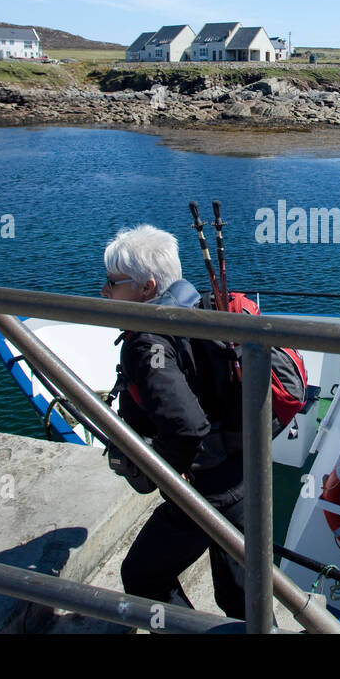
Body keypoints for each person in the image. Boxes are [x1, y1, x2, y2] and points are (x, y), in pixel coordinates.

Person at [103, 224, 246, 620]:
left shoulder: (148, 343)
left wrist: (161, 471)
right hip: (242, 471)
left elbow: (187, 427)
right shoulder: (201, 311)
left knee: (142, 576)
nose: (103, 292)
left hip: (204, 491)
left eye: (112, 282)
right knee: (241, 599)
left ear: (147, 287)